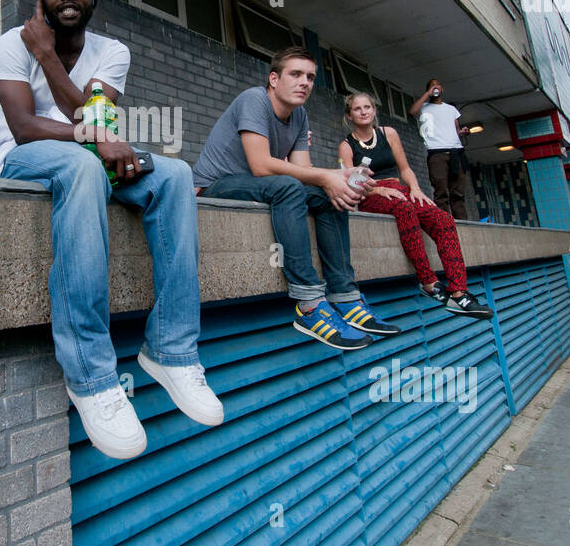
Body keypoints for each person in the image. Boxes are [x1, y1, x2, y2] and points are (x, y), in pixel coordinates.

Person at [0, 0, 222, 460]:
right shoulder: (12, 43)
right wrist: (91, 134)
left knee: (176, 175)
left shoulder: (113, 51)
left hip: (93, 152)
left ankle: (172, 350)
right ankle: (91, 375)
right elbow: (24, 128)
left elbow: (92, 114)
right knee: (82, 166)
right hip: (25, 159)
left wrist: (51, 61)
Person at [193, 47, 401, 351]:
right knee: (291, 187)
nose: (305, 82)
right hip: (214, 185)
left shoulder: (300, 115)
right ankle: (310, 304)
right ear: (274, 79)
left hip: (259, 185)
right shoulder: (254, 99)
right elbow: (261, 165)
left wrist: (338, 178)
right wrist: (328, 175)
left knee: (328, 193)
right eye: (295, 74)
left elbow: (304, 173)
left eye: (310, 77)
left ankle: (345, 296)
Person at [339, 92, 493, 318]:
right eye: (357, 109)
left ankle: (459, 293)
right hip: (370, 194)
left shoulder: (388, 133)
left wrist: (416, 189)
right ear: (349, 115)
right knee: (405, 209)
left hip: (399, 190)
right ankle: (428, 281)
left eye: (367, 107)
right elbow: (350, 183)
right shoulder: (346, 145)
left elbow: (405, 169)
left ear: (374, 110)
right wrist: (378, 190)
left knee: (443, 219)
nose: (363, 112)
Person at [409, 79, 471, 219]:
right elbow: (412, 112)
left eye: (437, 85)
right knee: (441, 192)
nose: (435, 87)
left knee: (458, 193)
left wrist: (462, 132)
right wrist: (427, 94)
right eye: (431, 85)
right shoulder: (423, 107)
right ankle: (444, 223)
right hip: (437, 153)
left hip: (456, 152)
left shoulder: (451, 109)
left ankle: (463, 224)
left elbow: (456, 130)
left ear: (442, 89)